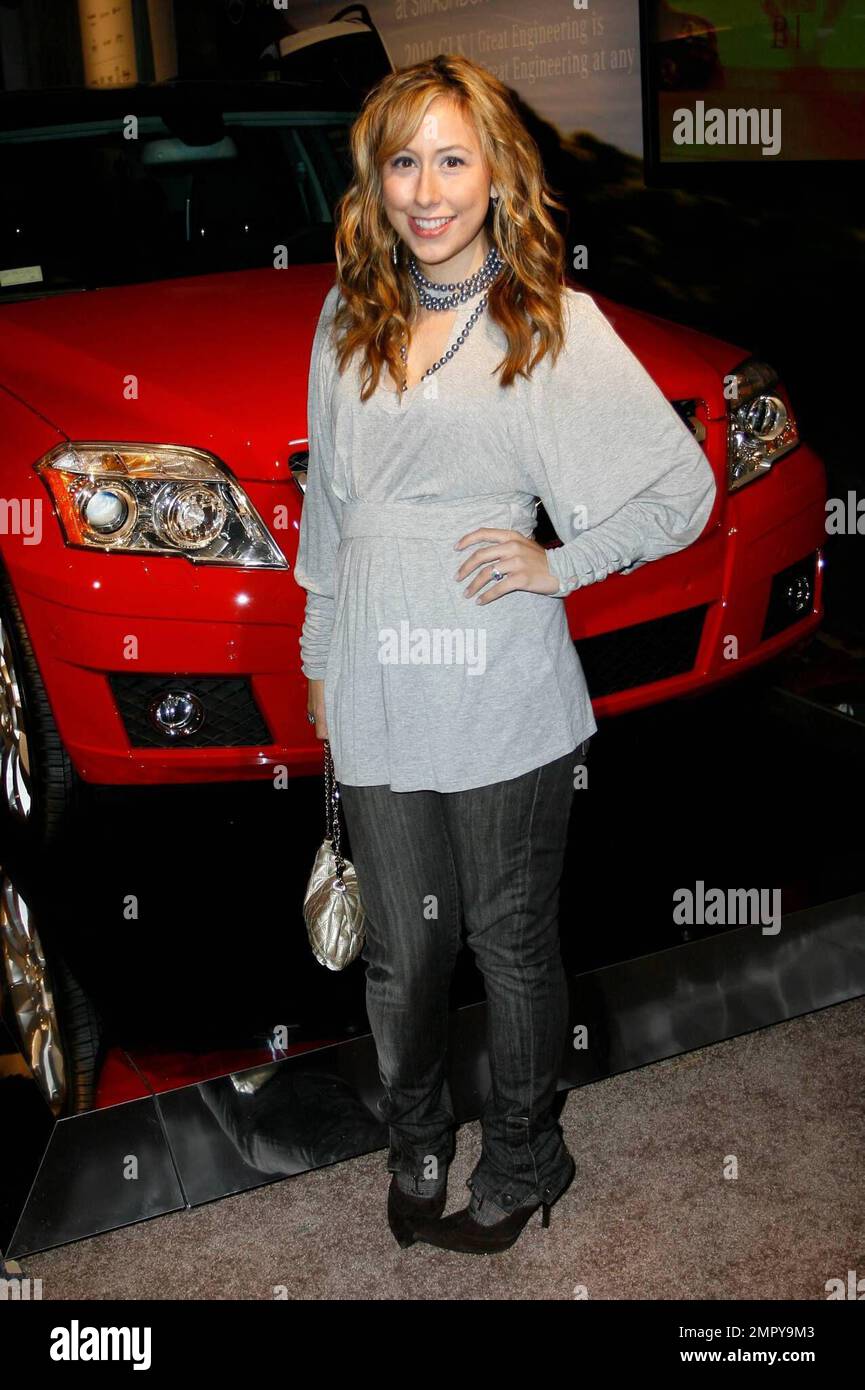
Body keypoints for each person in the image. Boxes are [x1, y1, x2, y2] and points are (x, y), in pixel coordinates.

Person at [293, 53, 716, 1256]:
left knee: (507, 937)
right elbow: (330, 511)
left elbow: (679, 487)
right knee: (403, 948)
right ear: (375, 182)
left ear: (496, 176)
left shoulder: (551, 321)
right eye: (401, 161)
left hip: (503, 685)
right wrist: (321, 653)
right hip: (377, 672)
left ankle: (528, 1153)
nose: (425, 190)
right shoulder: (344, 315)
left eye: (452, 159)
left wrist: (558, 564)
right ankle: (416, 1133)